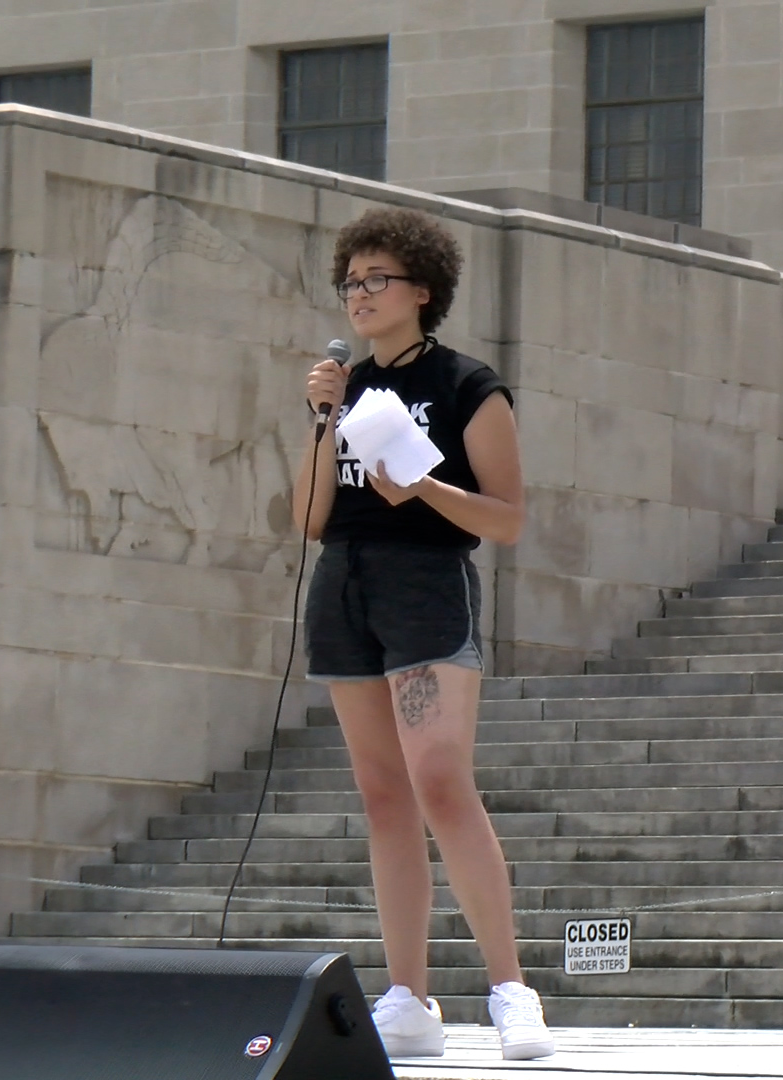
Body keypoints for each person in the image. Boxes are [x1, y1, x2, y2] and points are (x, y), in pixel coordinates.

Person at [291, 207, 549, 1061]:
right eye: (350, 281)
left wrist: (424, 487)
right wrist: (324, 419)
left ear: (423, 290)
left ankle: (510, 988)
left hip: (427, 584)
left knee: (439, 778)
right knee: (382, 793)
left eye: (377, 279)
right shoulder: (346, 388)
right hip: (345, 586)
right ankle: (407, 995)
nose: (359, 294)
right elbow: (309, 519)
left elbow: (507, 518)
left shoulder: (467, 385)